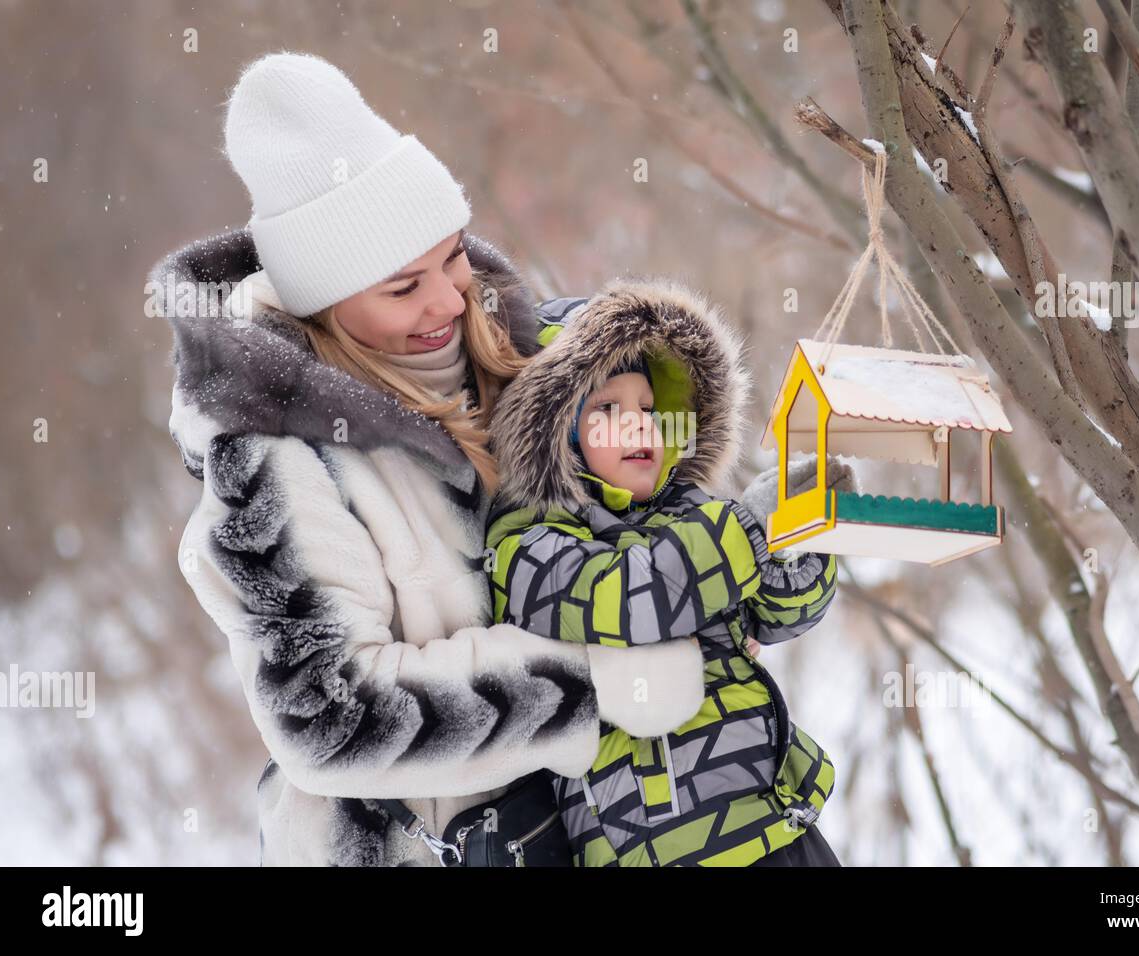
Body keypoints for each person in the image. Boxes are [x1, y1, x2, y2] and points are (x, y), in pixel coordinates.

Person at [148, 51, 711, 865]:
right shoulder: (272, 459)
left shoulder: (530, 358)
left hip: (583, 833)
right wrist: (600, 685)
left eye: (452, 256)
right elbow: (328, 716)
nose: (450, 299)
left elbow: (642, 513)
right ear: (326, 302)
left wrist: (741, 569)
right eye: (403, 288)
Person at [483, 279, 854, 865]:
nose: (638, 426)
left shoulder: (696, 518)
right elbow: (632, 597)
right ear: (557, 436)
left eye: (650, 411)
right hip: (659, 846)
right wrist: (750, 530)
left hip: (777, 821)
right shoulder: (529, 547)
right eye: (607, 410)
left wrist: (795, 542)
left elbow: (779, 617)